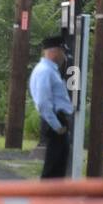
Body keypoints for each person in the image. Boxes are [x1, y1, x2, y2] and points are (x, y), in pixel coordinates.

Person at [29, 34, 73, 180]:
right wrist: (57, 125)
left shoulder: (49, 70)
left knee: (58, 168)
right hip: (56, 123)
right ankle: (45, 200)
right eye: (62, 52)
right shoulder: (45, 71)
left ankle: (53, 200)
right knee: (53, 169)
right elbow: (43, 102)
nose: (64, 56)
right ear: (54, 51)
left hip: (58, 122)